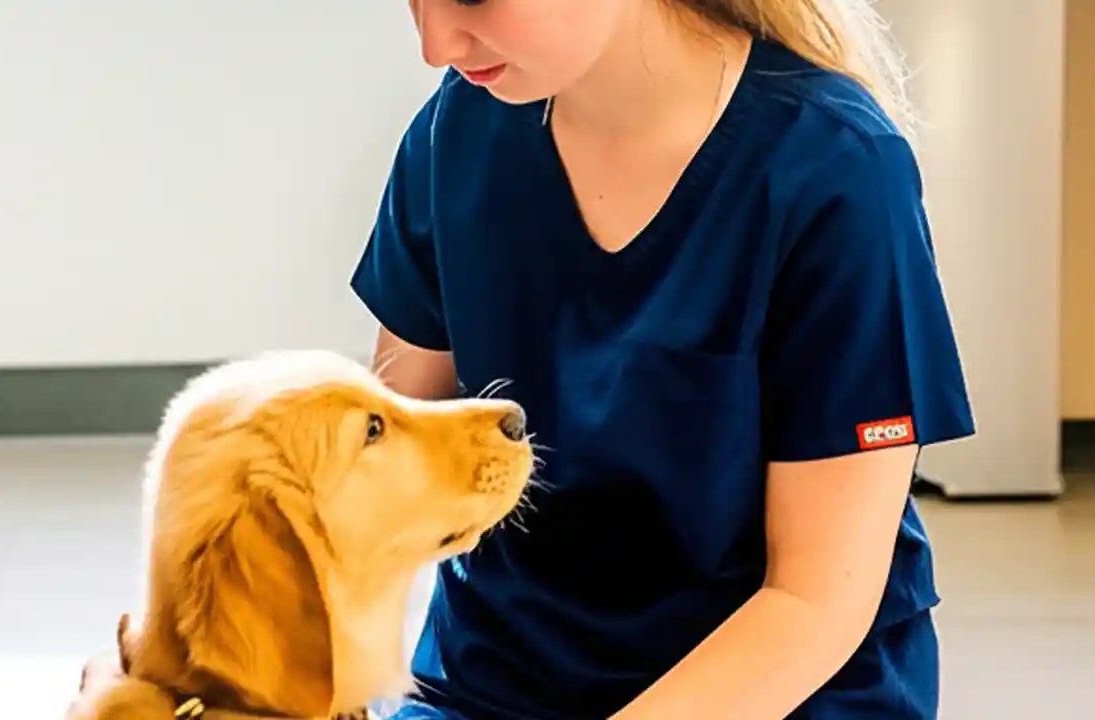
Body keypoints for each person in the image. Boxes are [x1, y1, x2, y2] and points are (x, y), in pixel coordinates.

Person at [349, 1, 974, 718]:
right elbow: (382, 475)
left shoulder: (834, 168)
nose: (434, 45)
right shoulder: (457, 131)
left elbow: (815, 599)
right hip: (494, 686)